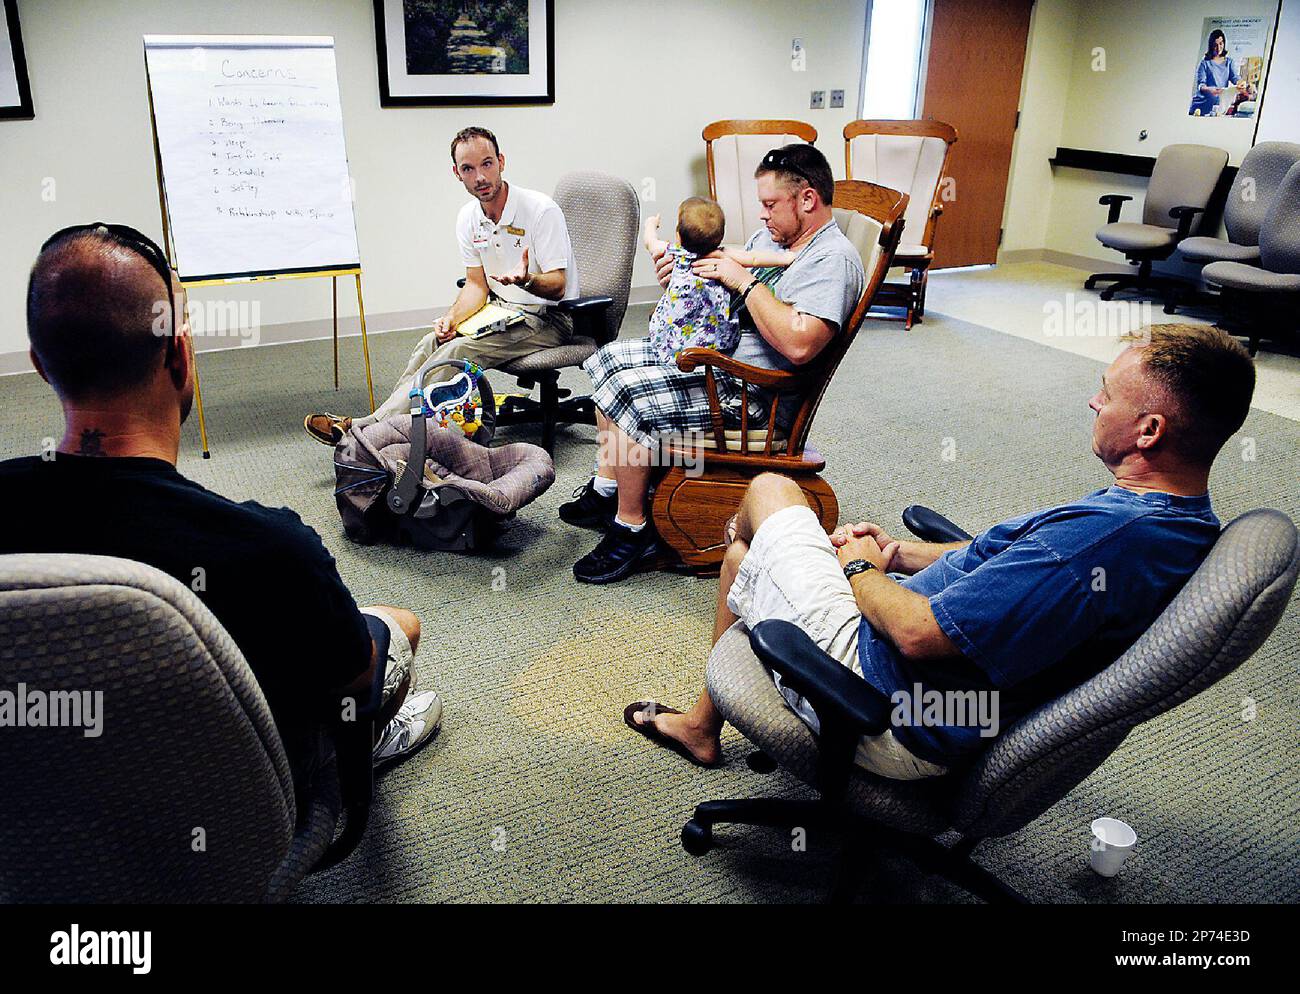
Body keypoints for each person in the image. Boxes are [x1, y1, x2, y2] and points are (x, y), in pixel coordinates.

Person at [624, 324, 1255, 777]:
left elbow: (919, 634)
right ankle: (706, 726)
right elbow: (1006, 564)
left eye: (1109, 393)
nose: (1094, 401)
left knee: (768, 491)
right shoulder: (1176, 522)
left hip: (889, 699)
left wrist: (859, 570)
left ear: (1149, 430)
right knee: (747, 561)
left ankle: (728, 712)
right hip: (943, 688)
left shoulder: (1103, 539)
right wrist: (899, 555)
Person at [2, 223, 442, 814]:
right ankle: (355, 752)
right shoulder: (270, 549)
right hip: (225, 809)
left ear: (39, 362)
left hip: (36, 807)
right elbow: (356, 680)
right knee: (397, 625)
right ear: (181, 356)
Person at [562, 144, 864, 584]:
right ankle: (610, 486)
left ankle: (632, 528)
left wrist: (743, 282)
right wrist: (683, 279)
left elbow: (800, 345)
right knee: (607, 358)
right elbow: (724, 275)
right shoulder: (778, 238)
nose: (762, 216)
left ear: (807, 199)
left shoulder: (831, 260)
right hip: (719, 359)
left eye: (769, 205)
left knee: (627, 391)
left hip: (754, 391)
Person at [304, 125, 579, 444]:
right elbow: (477, 285)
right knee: (430, 343)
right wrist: (453, 318)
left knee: (458, 351)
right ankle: (382, 424)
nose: (480, 177)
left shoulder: (540, 211)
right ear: (457, 173)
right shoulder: (468, 217)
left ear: (502, 161)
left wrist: (528, 280)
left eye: (487, 163)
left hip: (549, 319)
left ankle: (365, 432)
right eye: (468, 168)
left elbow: (558, 286)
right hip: (502, 313)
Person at [642, 197, 795, 364]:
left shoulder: (673, 251)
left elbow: (650, 241)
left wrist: (651, 223)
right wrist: (785, 258)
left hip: (677, 331)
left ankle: (675, 357)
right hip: (714, 335)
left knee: (669, 328)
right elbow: (754, 259)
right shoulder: (723, 254)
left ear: (678, 236)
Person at [1190, 29, 1247, 117]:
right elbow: (1201, 85)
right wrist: (1210, 90)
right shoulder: (1205, 63)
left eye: (1221, 44)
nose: (1218, 47)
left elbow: (1235, 77)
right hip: (1202, 104)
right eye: (1215, 45)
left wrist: (1240, 83)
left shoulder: (1229, 62)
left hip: (1218, 105)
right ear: (1211, 45)